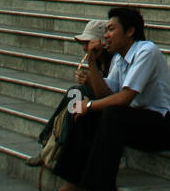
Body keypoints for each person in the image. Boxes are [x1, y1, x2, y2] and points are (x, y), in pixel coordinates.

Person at [38, 6, 170, 191]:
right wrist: (91, 60)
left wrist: (89, 105)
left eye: (110, 29)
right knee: (91, 112)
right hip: (142, 119)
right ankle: (72, 187)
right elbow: (104, 93)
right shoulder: (119, 57)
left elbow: (124, 98)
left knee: (108, 113)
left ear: (129, 31)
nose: (106, 35)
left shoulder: (146, 51)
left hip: (169, 126)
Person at [28, 19, 109, 177]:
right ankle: (51, 148)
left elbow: (105, 93)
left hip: (105, 108)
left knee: (76, 95)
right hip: (93, 103)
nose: (85, 48)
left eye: (88, 42)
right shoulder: (98, 59)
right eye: (83, 44)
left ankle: (56, 149)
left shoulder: (111, 59)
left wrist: (89, 80)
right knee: (74, 96)